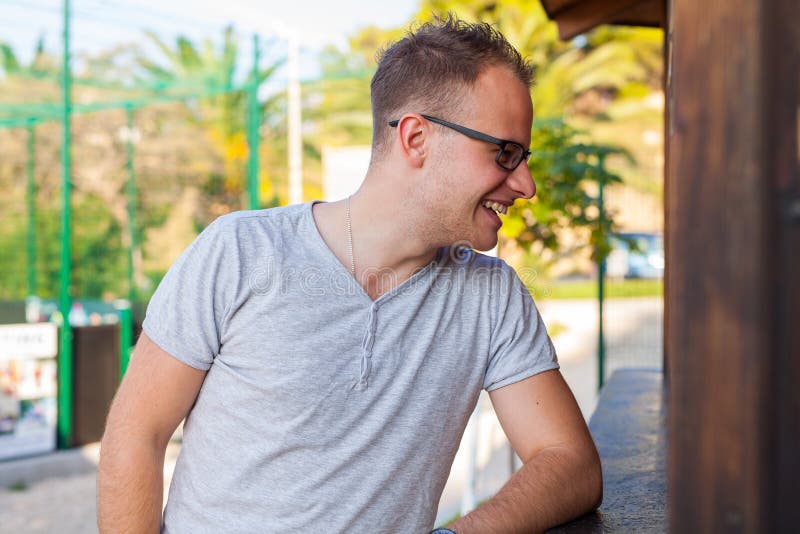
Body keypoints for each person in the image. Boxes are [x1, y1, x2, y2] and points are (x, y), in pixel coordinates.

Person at [98, 15, 601, 534]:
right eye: (506, 153)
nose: (526, 184)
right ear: (416, 138)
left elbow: (571, 462)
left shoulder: (492, 298)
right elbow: (136, 435)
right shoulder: (240, 252)